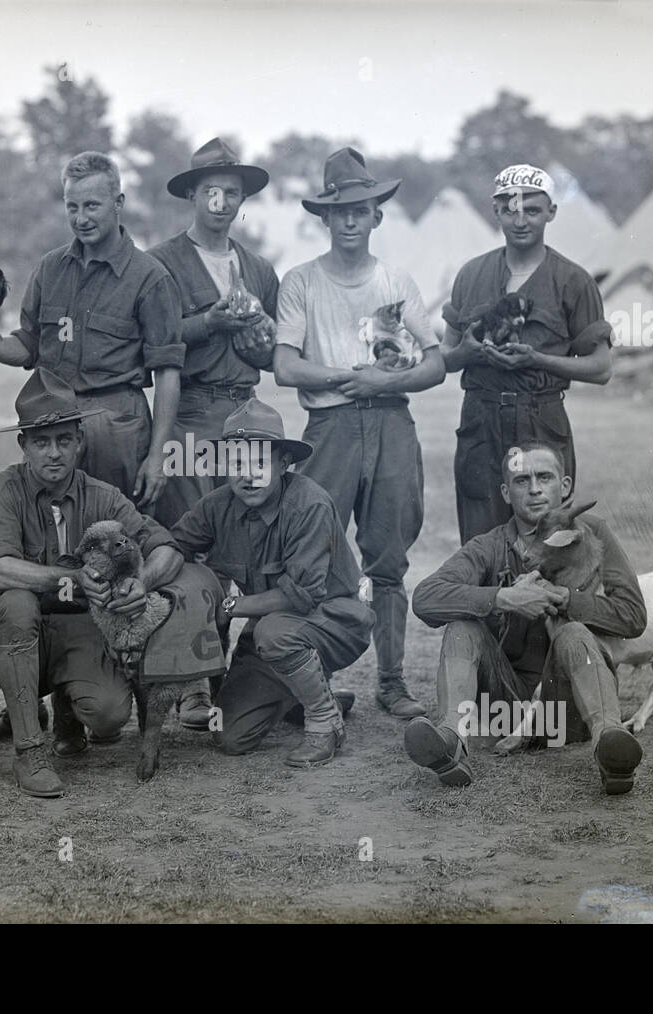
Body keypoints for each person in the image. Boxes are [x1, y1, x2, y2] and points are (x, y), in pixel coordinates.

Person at [274, 147, 446, 720]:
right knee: (315, 551)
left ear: (377, 215)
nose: (349, 220)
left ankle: (391, 682)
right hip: (330, 426)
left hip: (392, 421)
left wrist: (382, 381)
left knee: (389, 556)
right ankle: (314, 684)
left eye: (360, 210)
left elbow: (435, 364)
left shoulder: (396, 280)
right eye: (339, 211)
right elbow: (285, 366)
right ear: (325, 217)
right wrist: (349, 378)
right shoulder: (301, 281)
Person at [0, 369, 185, 798]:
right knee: (17, 602)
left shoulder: (103, 496)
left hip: (80, 631)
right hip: (14, 634)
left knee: (108, 715)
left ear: (80, 441)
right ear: (23, 444)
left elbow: (167, 549)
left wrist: (142, 581)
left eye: (64, 440)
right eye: (42, 442)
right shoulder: (1, 490)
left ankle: (69, 707)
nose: (54, 453)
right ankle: (29, 751)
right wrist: (69, 577)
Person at [0, 150, 184, 506]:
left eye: (92, 206)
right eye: (72, 207)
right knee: (50, 530)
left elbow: (168, 373)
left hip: (118, 432)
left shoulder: (150, 278)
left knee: (119, 531)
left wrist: (158, 456)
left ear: (119, 203)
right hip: (52, 425)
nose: (81, 219)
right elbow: (29, 344)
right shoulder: (49, 269)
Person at [405, 442, 648, 794]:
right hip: (501, 711)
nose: (534, 489)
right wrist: (504, 598)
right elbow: (425, 597)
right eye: (522, 480)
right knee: (462, 627)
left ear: (564, 485)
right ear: (506, 492)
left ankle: (609, 744)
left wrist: (566, 599)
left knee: (574, 632)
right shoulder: (489, 546)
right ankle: (451, 740)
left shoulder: (592, 533)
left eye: (544, 477)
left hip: (569, 712)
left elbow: (633, 615)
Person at [147, 137, 280, 728]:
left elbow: (273, 351)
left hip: (247, 413)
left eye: (231, 193)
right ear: (192, 196)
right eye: (210, 192)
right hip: (192, 411)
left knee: (245, 546)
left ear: (243, 199)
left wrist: (257, 337)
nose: (221, 203)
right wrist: (209, 321)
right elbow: (153, 340)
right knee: (195, 544)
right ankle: (195, 682)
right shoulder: (162, 263)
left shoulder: (259, 268)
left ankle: (238, 678)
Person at [169, 398, 374, 767]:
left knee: (275, 634)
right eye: (237, 463)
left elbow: (301, 596)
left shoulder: (309, 504)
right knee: (229, 735)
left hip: (334, 620)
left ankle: (324, 721)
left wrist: (229, 606)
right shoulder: (216, 506)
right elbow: (173, 546)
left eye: (260, 463)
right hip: (271, 627)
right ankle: (298, 694)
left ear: (283, 463)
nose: (248, 476)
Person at [440, 164, 613, 545]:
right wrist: (465, 352)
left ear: (551, 211)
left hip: (540, 419)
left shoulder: (573, 281)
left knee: (546, 542)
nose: (521, 221)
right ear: (496, 211)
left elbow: (601, 368)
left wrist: (537, 360)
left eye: (532, 210)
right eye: (511, 210)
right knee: (481, 542)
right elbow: (444, 358)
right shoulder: (471, 275)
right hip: (481, 421)